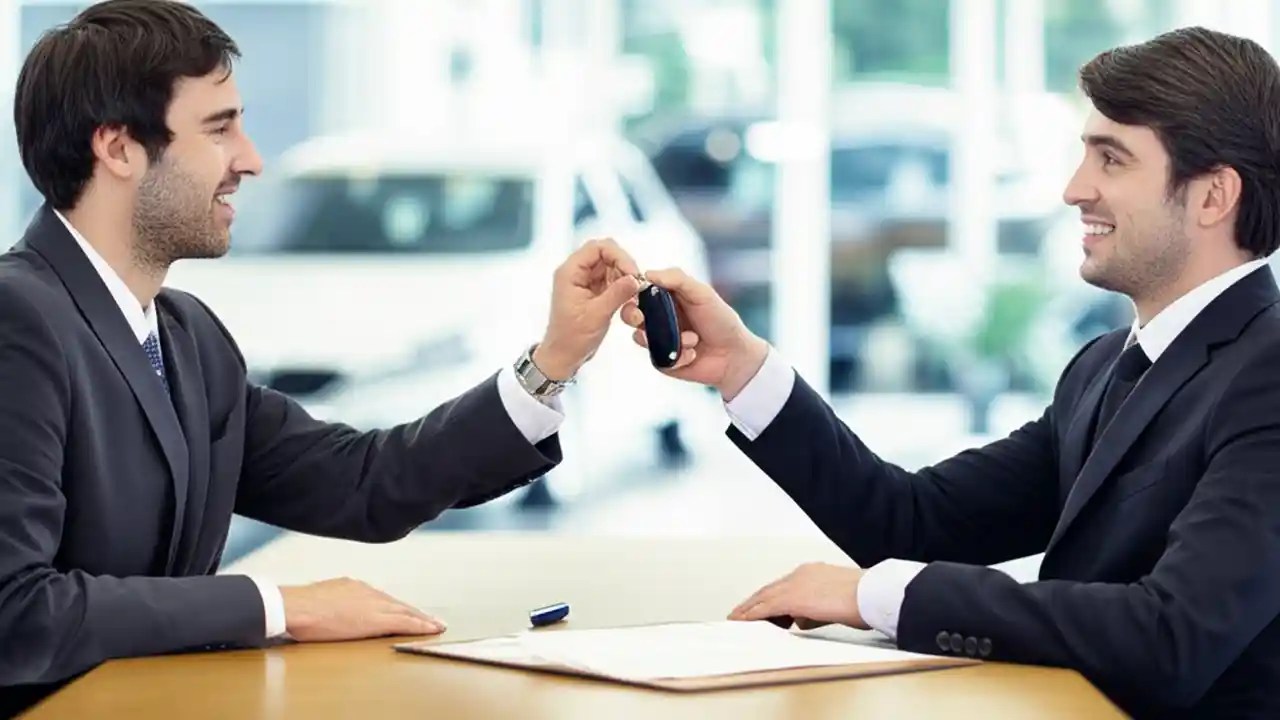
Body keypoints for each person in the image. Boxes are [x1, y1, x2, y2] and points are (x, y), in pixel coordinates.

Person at [0, 0, 641, 711]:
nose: (251, 160)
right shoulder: (17, 318)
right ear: (118, 149)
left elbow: (364, 482)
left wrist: (550, 363)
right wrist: (277, 606)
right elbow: (15, 612)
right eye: (219, 128)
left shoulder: (188, 338)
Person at [625, 26, 1280, 718]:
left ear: (1213, 196)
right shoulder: (1102, 367)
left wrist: (874, 595)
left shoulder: (1266, 376)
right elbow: (915, 523)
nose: (1073, 189)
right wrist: (742, 368)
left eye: (1112, 160)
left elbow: (1170, 638)